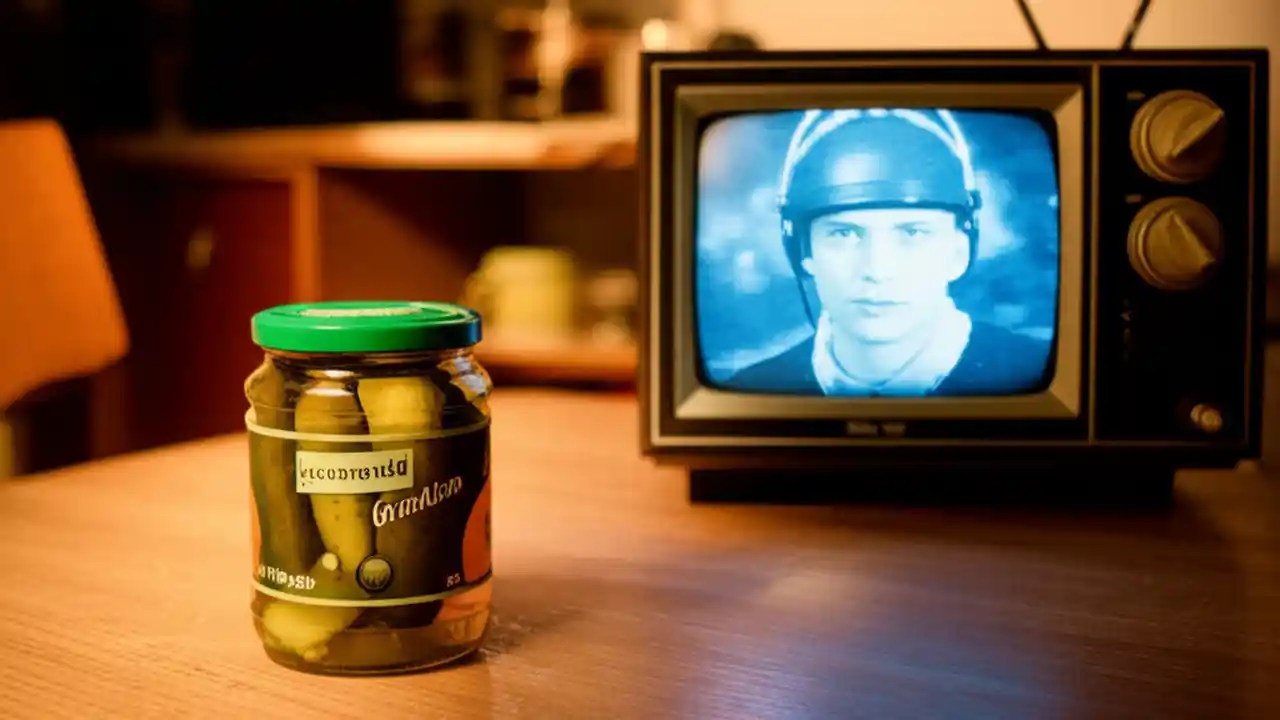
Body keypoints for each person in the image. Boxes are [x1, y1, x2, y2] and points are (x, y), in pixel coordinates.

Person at [729, 108, 1051, 397]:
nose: (877, 269)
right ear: (802, 250)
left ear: (959, 251)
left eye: (913, 232)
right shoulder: (747, 388)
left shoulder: (1031, 368)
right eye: (844, 233)